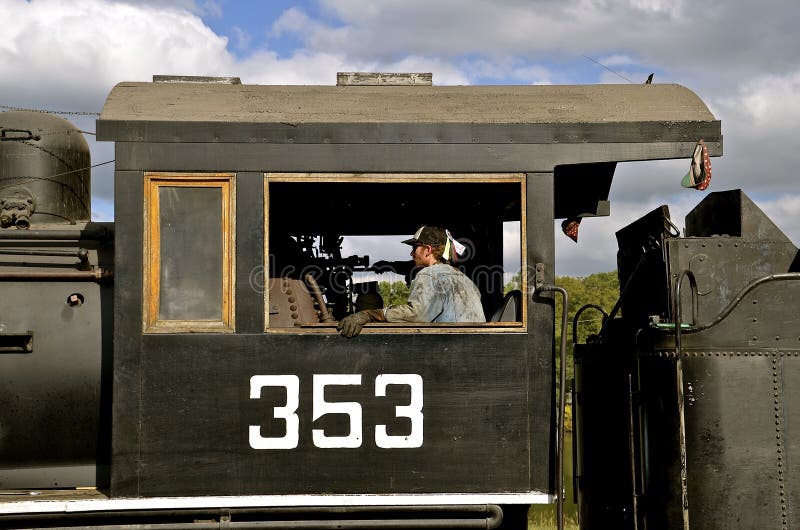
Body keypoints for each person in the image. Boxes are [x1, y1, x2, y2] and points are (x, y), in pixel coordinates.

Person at [338, 226, 485, 338]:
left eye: (414, 248)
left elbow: (416, 315)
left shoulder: (430, 274)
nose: (411, 253)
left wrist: (370, 315)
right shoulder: (466, 280)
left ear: (427, 250)